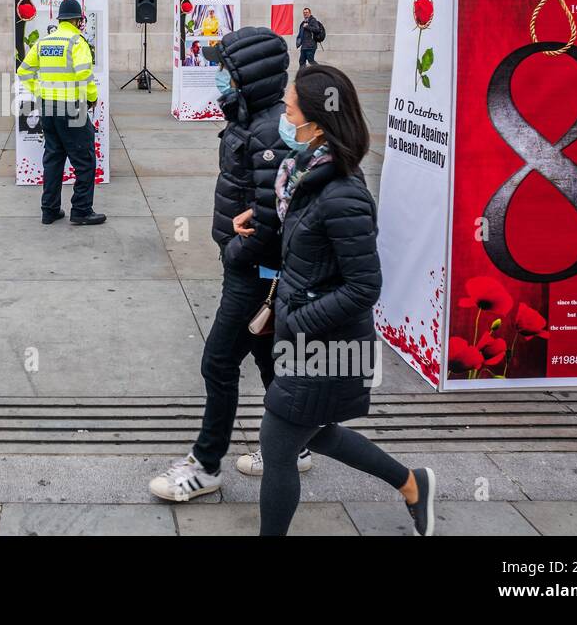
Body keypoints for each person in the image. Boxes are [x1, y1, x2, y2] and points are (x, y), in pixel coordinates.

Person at [245, 64, 436, 535]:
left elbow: (365, 286)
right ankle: (411, 484)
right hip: (306, 338)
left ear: (315, 121)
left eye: (289, 109)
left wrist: (299, 318)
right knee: (316, 432)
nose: (283, 117)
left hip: (323, 344)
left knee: (278, 446)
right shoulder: (304, 177)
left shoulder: (342, 194)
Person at [149, 27, 315, 501]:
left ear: (247, 76)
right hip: (255, 272)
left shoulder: (269, 133)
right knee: (266, 358)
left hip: (255, 274)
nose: (218, 76)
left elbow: (271, 217)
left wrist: (233, 250)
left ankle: (205, 465)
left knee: (219, 363)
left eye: (225, 68)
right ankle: (296, 446)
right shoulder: (252, 121)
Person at [16, 0, 105, 226]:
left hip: (48, 107)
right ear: (77, 20)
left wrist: (40, 92)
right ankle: (81, 211)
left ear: (60, 19)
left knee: (53, 158)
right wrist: (93, 98)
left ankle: (50, 210)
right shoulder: (77, 42)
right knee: (84, 160)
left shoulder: (44, 42)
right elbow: (85, 75)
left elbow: (24, 71)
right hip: (72, 109)